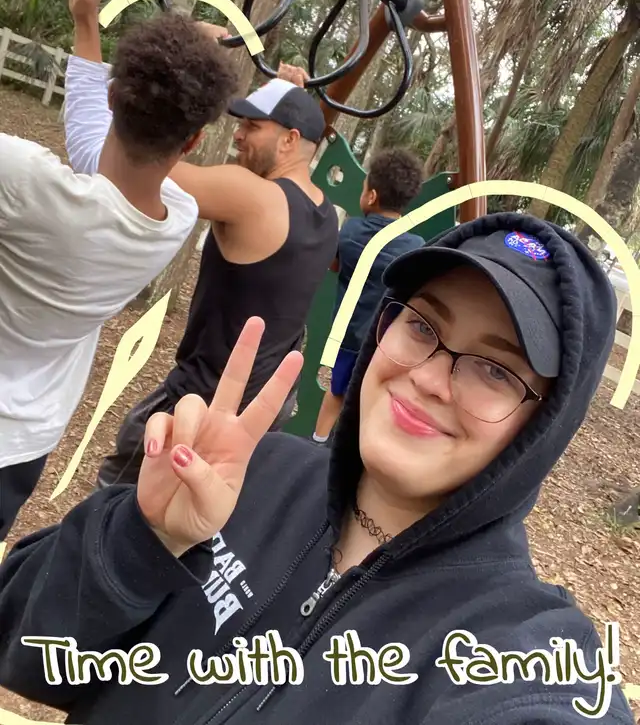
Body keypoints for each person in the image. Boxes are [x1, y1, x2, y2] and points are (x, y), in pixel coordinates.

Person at [0, 212, 633, 725]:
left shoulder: (521, 655)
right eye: (421, 326)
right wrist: (145, 539)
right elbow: (21, 643)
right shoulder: (254, 472)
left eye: (495, 369)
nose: (428, 378)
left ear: (544, 427)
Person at [60, 0, 339, 489]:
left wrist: (104, 32)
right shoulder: (322, 212)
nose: (238, 137)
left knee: (107, 513)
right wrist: (289, 98)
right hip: (256, 420)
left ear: (288, 141)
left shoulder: (251, 196)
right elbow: (304, 148)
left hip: (195, 411)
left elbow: (114, 160)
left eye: (252, 127)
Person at [0, 0, 240, 540]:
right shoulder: (174, 219)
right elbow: (92, 138)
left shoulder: (23, 181)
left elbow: (93, 133)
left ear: (116, 97)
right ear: (193, 140)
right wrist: (87, 22)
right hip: (26, 443)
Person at [313, 147, 425, 444]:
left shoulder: (351, 230)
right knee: (368, 401)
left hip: (347, 338)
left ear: (372, 196)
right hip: (383, 343)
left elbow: (333, 264)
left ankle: (317, 441)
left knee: (335, 392)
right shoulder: (414, 245)